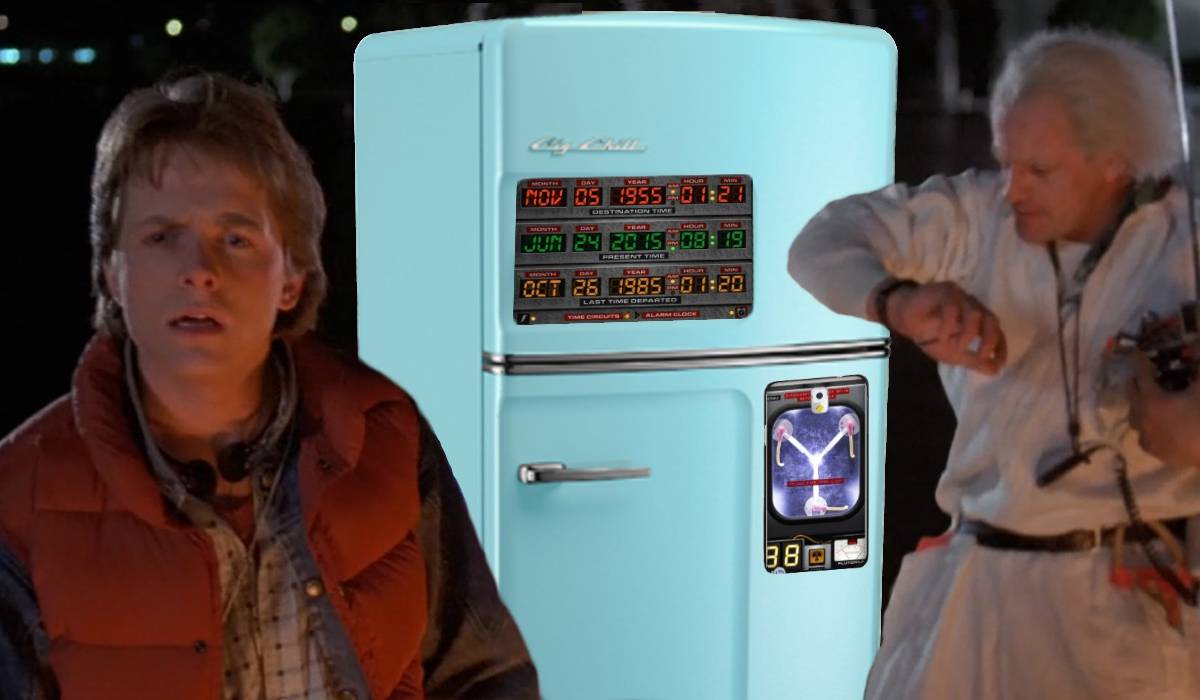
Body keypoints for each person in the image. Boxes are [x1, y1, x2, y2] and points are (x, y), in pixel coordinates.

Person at [0, 71, 539, 700]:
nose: (199, 271)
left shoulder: (382, 435)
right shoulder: (21, 493)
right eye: (160, 236)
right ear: (112, 274)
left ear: (291, 279)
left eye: (235, 238)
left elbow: (484, 674)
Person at [788, 29, 1200, 698]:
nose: (1013, 190)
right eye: (1006, 163)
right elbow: (820, 242)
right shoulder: (978, 219)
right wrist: (898, 301)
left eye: (1039, 170)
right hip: (977, 588)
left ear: (1114, 163)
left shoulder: (1184, 248)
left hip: (1129, 598)